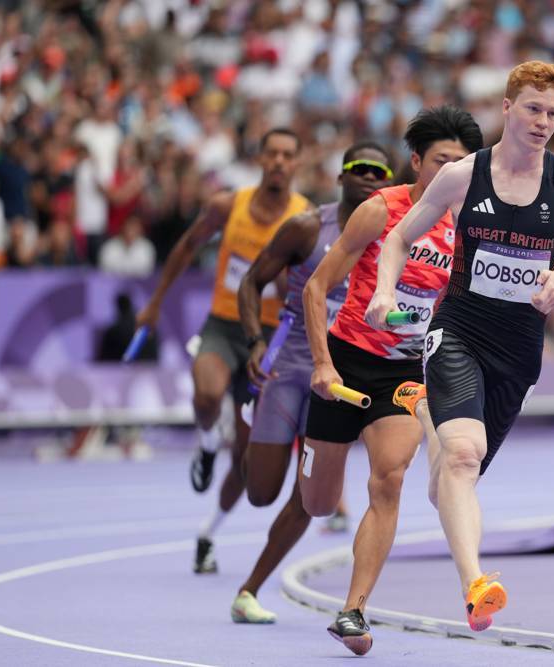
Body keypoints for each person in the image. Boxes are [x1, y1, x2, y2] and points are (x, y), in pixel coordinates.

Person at [365, 61, 554, 631]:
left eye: (553, 113)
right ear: (507, 108)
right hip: (459, 330)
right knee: (463, 455)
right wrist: (384, 290)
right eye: (533, 109)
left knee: (449, 484)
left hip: (519, 350)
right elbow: (399, 238)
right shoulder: (462, 176)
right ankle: (476, 585)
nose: (543, 122)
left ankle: (427, 411)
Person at [303, 106, 483, 655]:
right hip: (345, 362)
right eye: (441, 161)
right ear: (417, 161)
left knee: (389, 479)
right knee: (317, 502)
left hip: (403, 373)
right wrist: (322, 364)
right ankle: (310, 464)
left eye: (461, 163)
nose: (451, 171)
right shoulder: (381, 210)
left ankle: (353, 610)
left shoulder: (469, 228)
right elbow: (316, 288)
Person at [229, 140, 393, 623]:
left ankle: (248, 590)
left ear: (388, 183)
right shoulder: (306, 228)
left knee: (308, 499)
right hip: (293, 370)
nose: (369, 177)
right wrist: (255, 342)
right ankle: (245, 431)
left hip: (339, 382)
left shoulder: (397, 235)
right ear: (341, 177)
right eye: (359, 168)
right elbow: (250, 281)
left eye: (378, 172)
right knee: (260, 492)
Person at [136, 128, 308, 573]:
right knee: (207, 395)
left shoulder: (304, 218)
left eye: (287, 155)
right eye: (272, 153)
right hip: (222, 324)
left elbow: (305, 285)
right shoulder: (227, 206)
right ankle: (208, 442)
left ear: (297, 163)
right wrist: (155, 303)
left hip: (268, 339)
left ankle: (207, 533)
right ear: (260, 159)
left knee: (245, 461)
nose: (279, 161)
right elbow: (186, 246)